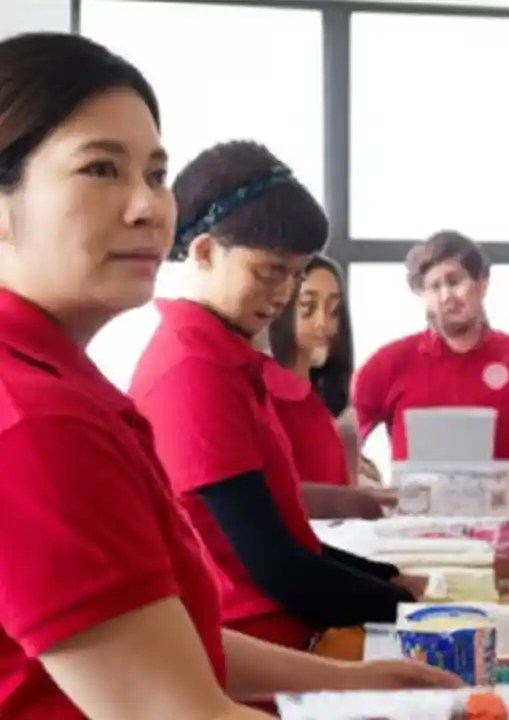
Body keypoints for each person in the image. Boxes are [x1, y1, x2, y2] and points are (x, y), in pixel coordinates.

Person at [0, 33, 455, 720]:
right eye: (100, 169)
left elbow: (159, 641)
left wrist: (358, 683)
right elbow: (174, 711)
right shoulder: (37, 417)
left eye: (156, 174)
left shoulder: (62, 383)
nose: (149, 207)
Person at [130, 140, 427, 652]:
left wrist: (392, 581)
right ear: (203, 251)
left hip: (289, 633)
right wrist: (416, 613)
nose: (284, 293)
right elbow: (275, 566)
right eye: (270, 272)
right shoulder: (193, 370)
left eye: (294, 274)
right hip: (255, 648)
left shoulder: (228, 357)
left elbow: (293, 538)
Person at [352, 231, 509, 500]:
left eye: (455, 281)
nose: (446, 295)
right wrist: (372, 483)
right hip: (416, 528)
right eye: (434, 287)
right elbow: (335, 443)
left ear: (482, 284)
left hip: (503, 524)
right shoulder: (389, 363)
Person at [265, 255, 389, 518]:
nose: (324, 324)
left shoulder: (325, 403)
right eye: (308, 308)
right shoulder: (266, 399)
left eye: (333, 311)